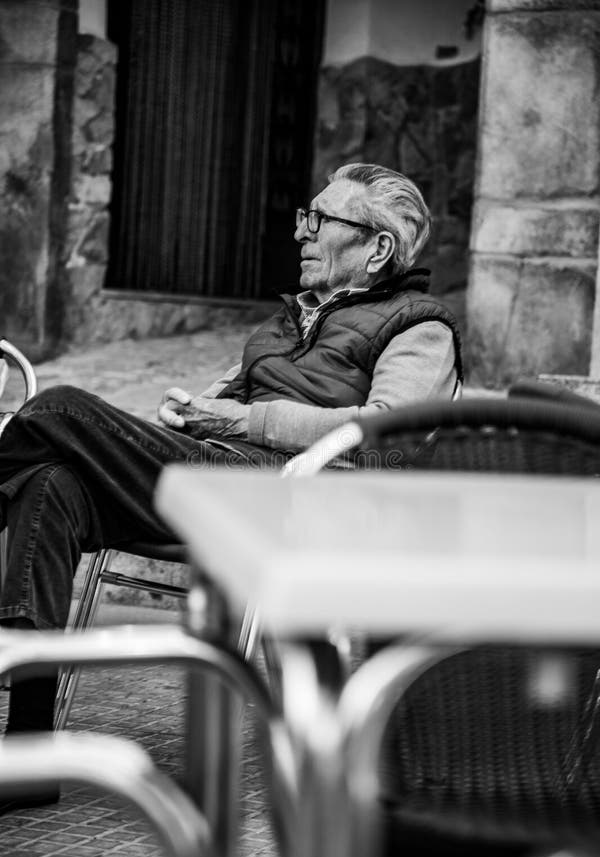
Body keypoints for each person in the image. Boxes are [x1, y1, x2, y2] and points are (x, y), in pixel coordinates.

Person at [0, 162, 462, 807]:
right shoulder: (287, 321)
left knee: (62, 407)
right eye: (306, 217)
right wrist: (194, 409)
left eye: (320, 220)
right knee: (52, 484)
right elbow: (222, 402)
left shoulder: (419, 327)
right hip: (213, 478)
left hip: (295, 497)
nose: (301, 232)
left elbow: (391, 433)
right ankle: (28, 750)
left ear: (377, 248)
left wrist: (246, 420)